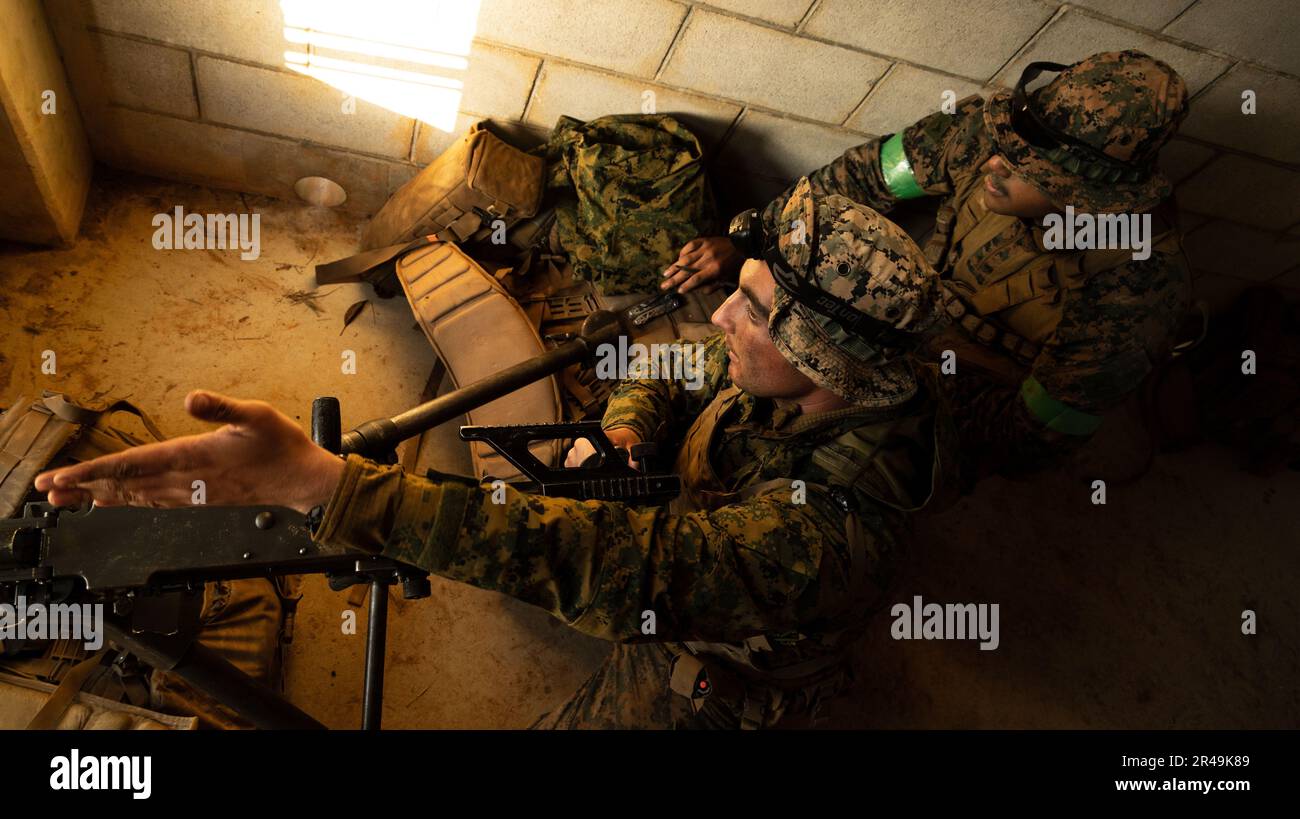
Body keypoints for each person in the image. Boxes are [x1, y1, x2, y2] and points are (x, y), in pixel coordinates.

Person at [35, 179, 955, 729]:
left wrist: (332, 487)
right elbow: (679, 367)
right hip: (696, 520)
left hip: (730, 659)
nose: (721, 315)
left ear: (821, 359)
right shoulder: (799, 369)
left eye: (750, 311)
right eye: (742, 295)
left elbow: (616, 564)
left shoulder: (830, 538)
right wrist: (629, 424)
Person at [661, 50, 1192, 485]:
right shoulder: (987, 137)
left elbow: (1027, 440)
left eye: (1022, 167)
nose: (991, 164)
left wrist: (900, 384)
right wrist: (760, 236)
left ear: (1086, 195)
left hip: (962, 388)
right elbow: (860, 178)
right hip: (901, 319)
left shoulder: (1138, 291)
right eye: (1003, 148)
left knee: (831, 477)